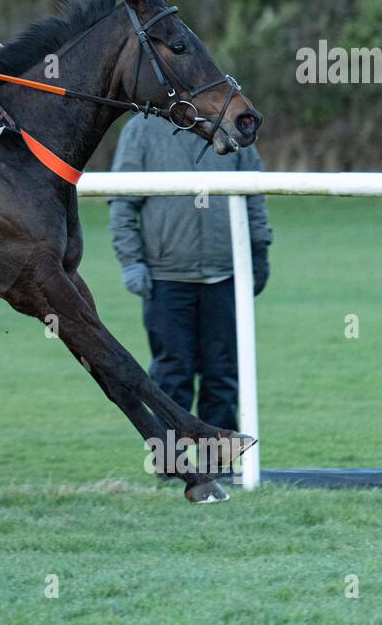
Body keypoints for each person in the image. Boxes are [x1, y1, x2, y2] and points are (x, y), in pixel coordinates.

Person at [108, 115, 273, 433]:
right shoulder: (141, 129)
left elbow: (254, 196)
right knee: (171, 376)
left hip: (226, 277)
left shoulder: (232, 123)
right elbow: (122, 202)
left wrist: (259, 251)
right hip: (165, 279)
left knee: (222, 376)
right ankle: (171, 458)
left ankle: (219, 457)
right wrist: (131, 262)